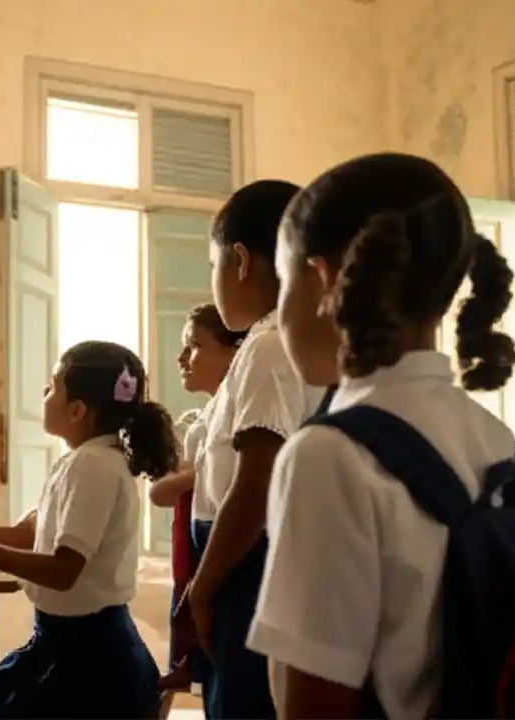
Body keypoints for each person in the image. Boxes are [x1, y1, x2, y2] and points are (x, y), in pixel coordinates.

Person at [248, 152, 515, 718]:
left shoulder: (328, 455)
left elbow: (315, 705)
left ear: (321, 278)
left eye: (282, 282)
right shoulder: (501, 443)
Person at [0, 341, 177, 719]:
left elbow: (62, 570)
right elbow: (28, 535)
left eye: (53, 385)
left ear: (77, 410)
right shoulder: (83, 461)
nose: (44, 392)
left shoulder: (93, 467)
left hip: (90, 668)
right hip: (64, 650)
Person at [186, 181, 324, 719]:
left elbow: (258, 478)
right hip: (243, 557)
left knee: (242, 706)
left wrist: (205, 585)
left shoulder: (269, 346)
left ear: (240, 260)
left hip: (246, 563)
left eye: (212, 265)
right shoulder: (278, 340)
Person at [148, 304, 247, 692]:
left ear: (232, 352)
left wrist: (187, 477)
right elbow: (161, 488)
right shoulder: (206, 415)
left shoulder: (243, 409)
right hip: (191, 533)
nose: (182, 358)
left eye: (195, 345)